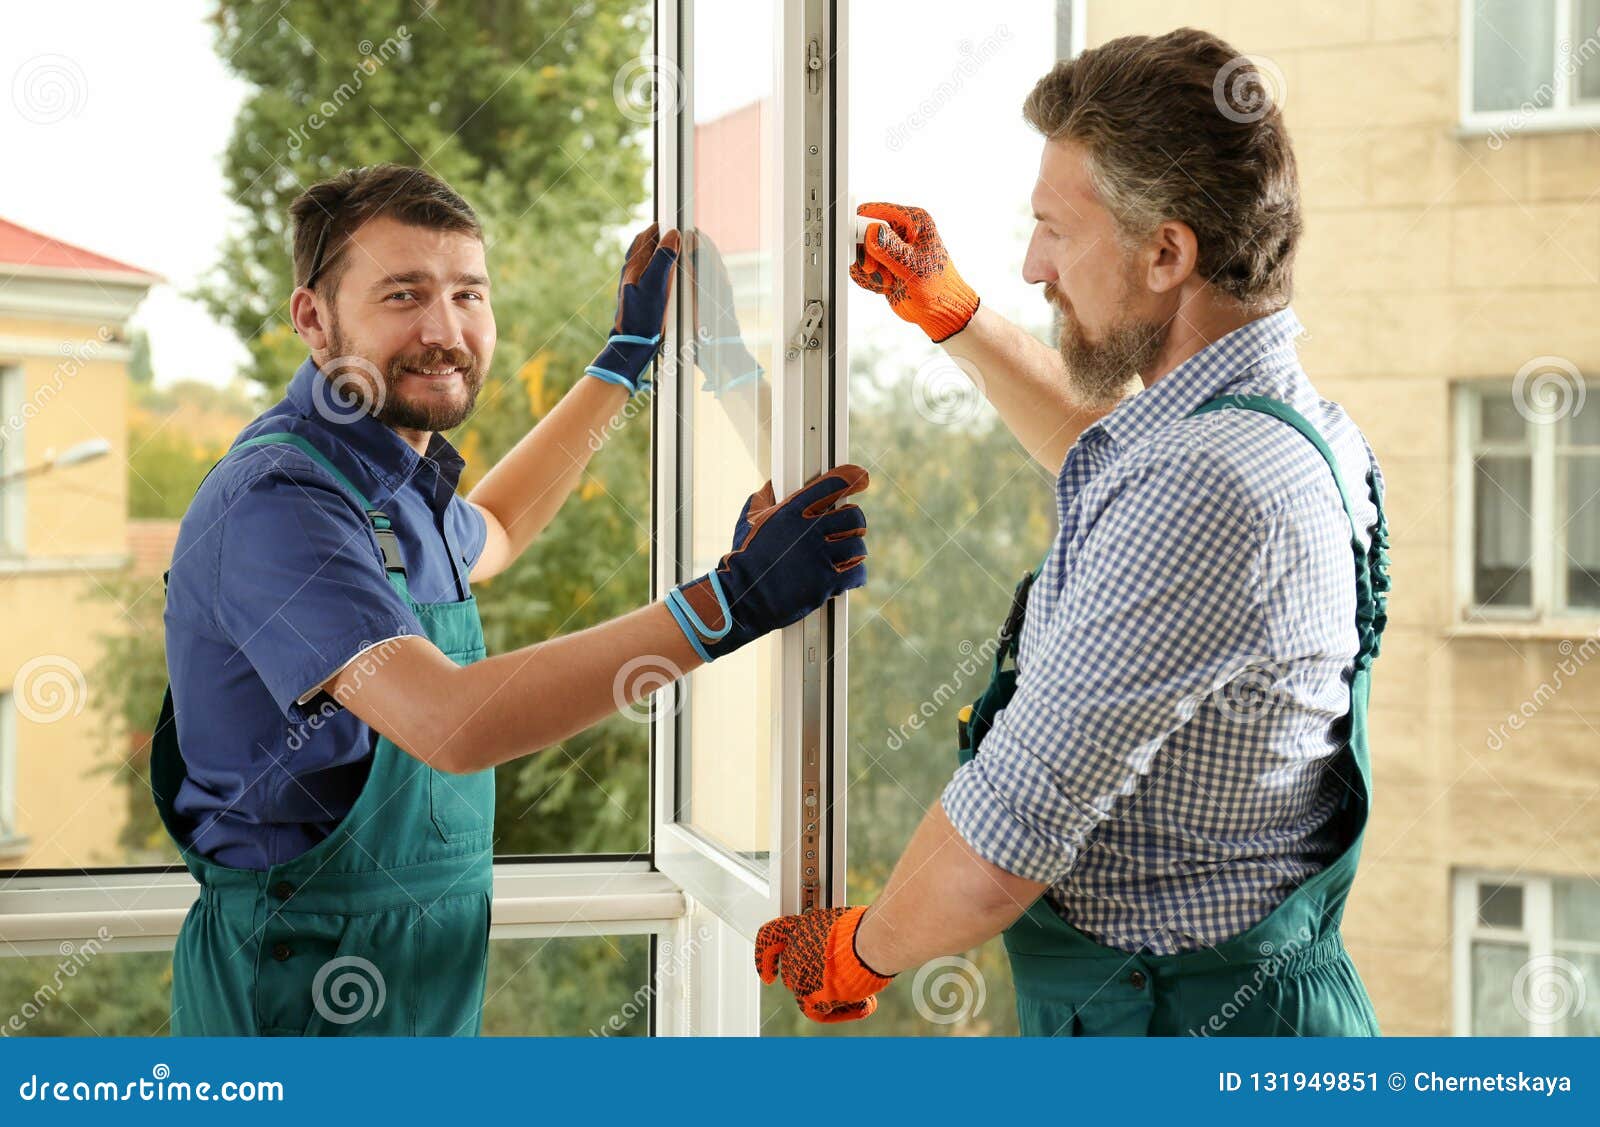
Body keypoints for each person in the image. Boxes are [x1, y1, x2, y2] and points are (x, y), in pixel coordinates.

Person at [756, 27, 1390, 1037]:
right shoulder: (1286, 427)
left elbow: (993, 855)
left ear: (1166, 251)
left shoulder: (1206, 487)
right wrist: (954, 315)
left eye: (1054, 227)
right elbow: (1111, 463)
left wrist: (851, 951)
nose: (1032, 263)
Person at [153, 163, 870, 1036]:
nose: (445, 330)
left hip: (416, 981)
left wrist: (626, 360)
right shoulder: (281, 500)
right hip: (292, 995)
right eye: (403, 295)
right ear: (313, 318)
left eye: (468, 293)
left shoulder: (385, 477)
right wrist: (732, 600)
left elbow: (493, 526)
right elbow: (452, 721)